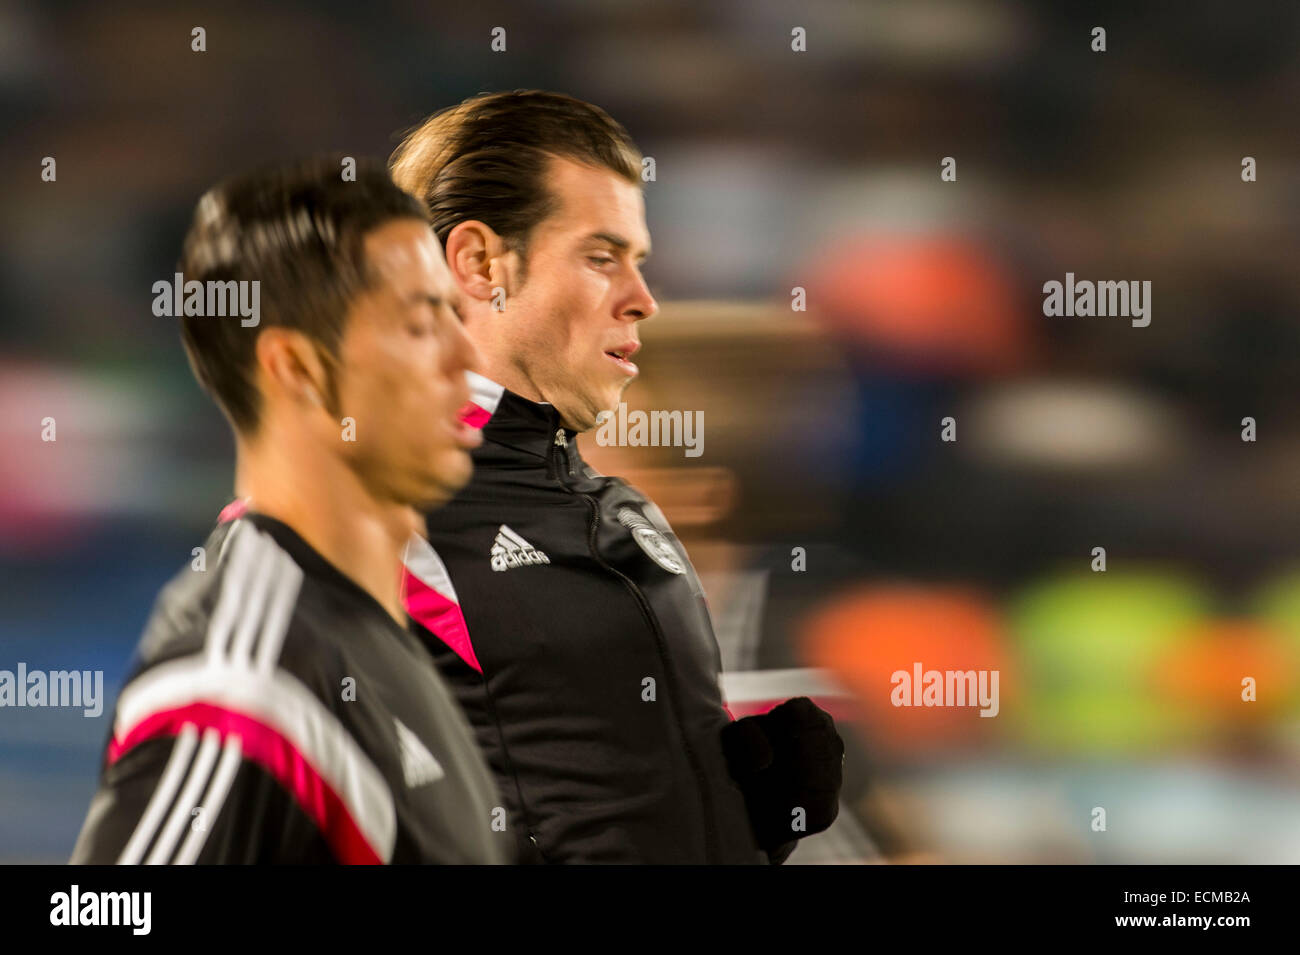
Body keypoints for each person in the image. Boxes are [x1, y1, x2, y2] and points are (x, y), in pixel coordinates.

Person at [390, 90, 844, 864]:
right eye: (602, 258)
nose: (642, 301)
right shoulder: (365, 518)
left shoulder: (628, 512)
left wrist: (753, 829)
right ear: (479, 263)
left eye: (639, 262)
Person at [70, 157, 508, 864]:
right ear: (296, 368)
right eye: (423, 325)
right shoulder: (241, 685)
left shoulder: (373, 632)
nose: (468, 356)